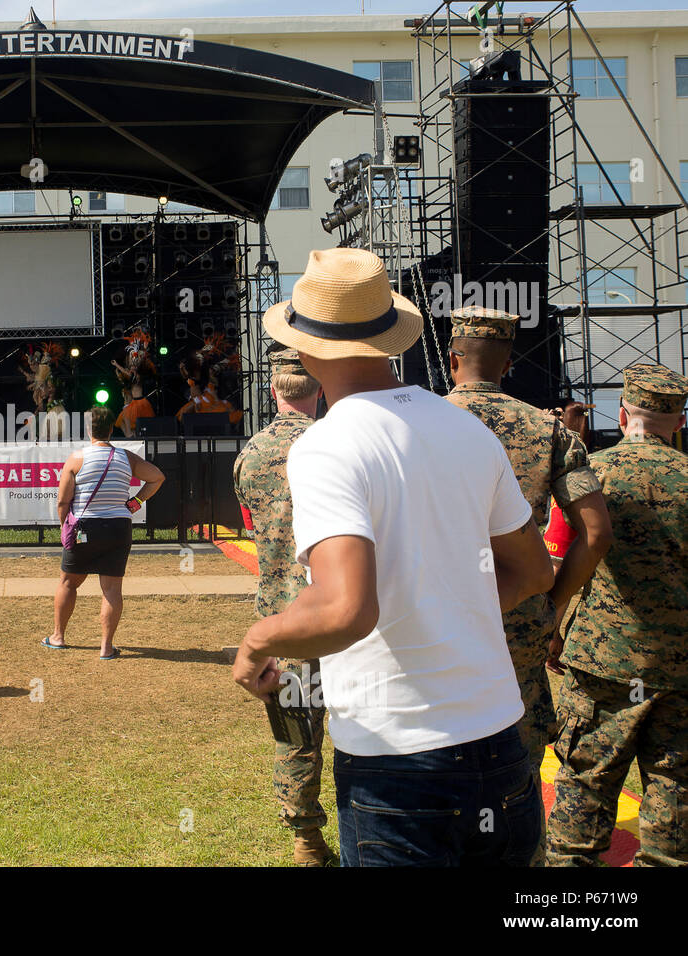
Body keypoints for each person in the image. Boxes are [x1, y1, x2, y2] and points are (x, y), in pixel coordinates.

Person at [232, 248, 554, 867]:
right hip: (502, 743)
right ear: (389, 340)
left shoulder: (326, 446)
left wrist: (257, 640)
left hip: (398, 758)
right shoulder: (467, 430)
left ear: (301, 350)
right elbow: (534, 571)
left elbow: (346, 610)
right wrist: (446, 602)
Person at [443, 306, 612, 865]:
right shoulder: (549, 430)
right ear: (509, 363)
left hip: (434, 618)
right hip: (518, 624)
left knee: (434, 751)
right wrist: (554, 605)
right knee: (515, 762)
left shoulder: (419, 422)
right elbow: (595, 530)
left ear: (452, 359)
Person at [547, 363, 688, 867]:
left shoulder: (593, 474)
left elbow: (561, 554)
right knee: (676, 788)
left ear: (624, 413)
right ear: (678, 421)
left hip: (601, 661)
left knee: (586, 780)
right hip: (679, 668)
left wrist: (553, 622)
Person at [231, 345, 330, 865]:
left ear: (273, 389)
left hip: (283, 616)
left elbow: (256, 531)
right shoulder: (340, 443)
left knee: (295, 727)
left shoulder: (252, 453)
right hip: (349, 609)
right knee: (365, 721)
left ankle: (305, 840)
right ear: (319, 389)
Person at [45, 405, 165, 659]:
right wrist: (135, 503)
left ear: (88, 429)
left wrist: (63, 526)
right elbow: (157, 477)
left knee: (68, 582)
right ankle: (106, 647)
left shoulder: (76, 459)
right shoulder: (126, 457)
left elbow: (62, 502)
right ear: (112, 429)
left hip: (84, 528)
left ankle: (58, 637)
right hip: (118, 527)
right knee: (111, 589)